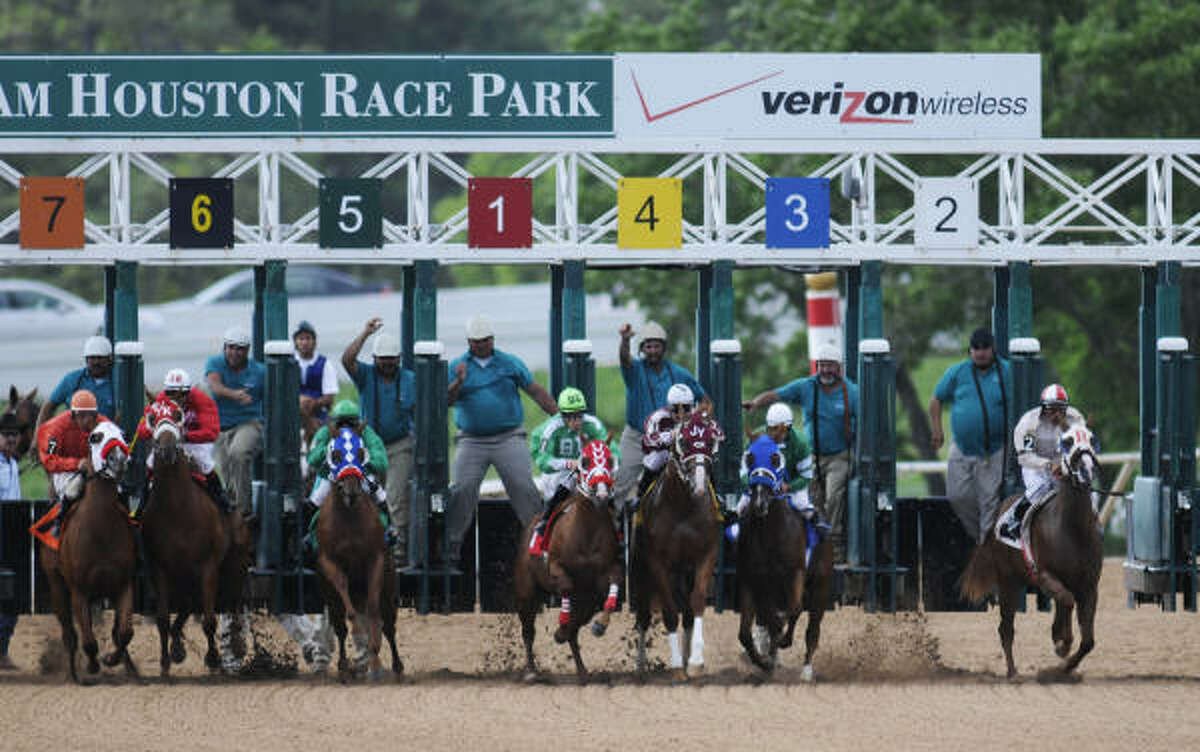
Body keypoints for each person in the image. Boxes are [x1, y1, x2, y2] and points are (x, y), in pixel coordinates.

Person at [445, 314, 558, 565]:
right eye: (476, 341)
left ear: (492, 339)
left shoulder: (509, 363)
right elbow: (446, 401)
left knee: (523, 485)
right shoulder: (457, 366)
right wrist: (459, 382)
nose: (481, 345)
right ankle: (451, 549)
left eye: (485, 340)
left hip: (508, 436)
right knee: (462, 488)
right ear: (468, 342)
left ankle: (541, 542)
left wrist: (559, 416)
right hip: (471, 440)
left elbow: (535, 390)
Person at [742, 343, 858, 562]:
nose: (826, 370)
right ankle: (814, 548)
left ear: (839, 368)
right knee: (813, 501)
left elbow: (864, 420)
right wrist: (756, 402)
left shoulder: (851, 392)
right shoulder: (806, 386)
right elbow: (778, 394)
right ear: (817, 367)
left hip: (839, 456)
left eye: (831, 366)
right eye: (822, 365)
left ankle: (836, 550)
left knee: (834, 498)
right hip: (812, 456)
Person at [928, 328, 1014, 543]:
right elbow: (936, 400)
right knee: (957, 496)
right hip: (962, 448)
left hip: (994, 450)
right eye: (976, 349)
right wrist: (937, 430)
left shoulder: (1007, 372)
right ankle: (979, 542)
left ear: (993, 349)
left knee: (989, 503)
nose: (980, 353)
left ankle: (985, 551)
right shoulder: (957, 372)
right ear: (970, 350)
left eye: (985, 348)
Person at [342, 317, 415, 562]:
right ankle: (368, 549)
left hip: (399, 445)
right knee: (365, 496)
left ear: (399, 358)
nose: (387, 364)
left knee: (395, 497)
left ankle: (399, 552)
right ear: (374, 359)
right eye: (382, 359)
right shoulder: (366, 375)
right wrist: (365, 334)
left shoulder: (409, 380)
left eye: (391, 359)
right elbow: (347, 360)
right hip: (370, 447)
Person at [614, 321, 708, 509]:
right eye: (648, 346)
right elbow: (625, 358)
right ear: (642, 349)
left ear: (664, 348)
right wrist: (625, 340)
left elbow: (706, 402)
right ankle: (616, 528)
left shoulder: (679, 373)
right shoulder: (635, 370)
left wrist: (694, 423)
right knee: (620, 486)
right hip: (636, 437)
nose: (653, 350)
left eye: (657, 346)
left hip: (673, 438)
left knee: (694, 475)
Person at [527, 387, 619, 556]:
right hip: (560, 471)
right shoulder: (551, 428)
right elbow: (543, 461)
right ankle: (543, 526)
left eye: (579, 415)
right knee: (563, 486)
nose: (576, 420)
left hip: (589, 469)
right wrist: (569, 463)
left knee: (607, 489)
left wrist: (609, 467)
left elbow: (612, 450)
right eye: (570, 416)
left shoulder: (593, 424)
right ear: (562, 415)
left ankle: (618, 528)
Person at [1000, 383, 1088, 543]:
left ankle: (1093, 524)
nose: (1056, 414)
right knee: (1041, 488)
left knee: (1084, 488)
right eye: (1051, 409)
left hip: (1064, 464)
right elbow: (1025, 457)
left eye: (1060, 409)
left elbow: (1081, 446)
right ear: (1043, 408)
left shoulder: (1075, 418)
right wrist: (1048, 464)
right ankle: (1013, 520)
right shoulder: (1028, 423)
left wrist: (1065, 427)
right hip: (1035, 466)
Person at [136, 368, 231, 513]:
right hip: (168, 440)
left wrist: (186, 436)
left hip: (195, 441)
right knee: (150, 462)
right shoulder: (160, 401)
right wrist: (159, 432)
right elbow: (142, 431)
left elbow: (211, 432)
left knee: (204, 461)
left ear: (189, 391)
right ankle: (142, 505)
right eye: (171, 393)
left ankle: (220, 498)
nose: (176, 398)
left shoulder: (202, 400)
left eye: (182, 394)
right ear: (165, 392)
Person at [206, 326, 265, 517]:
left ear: (247, 350)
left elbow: (272, 398)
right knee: (226, 470)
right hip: (221, 428)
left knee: (238, 453)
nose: (234, 352)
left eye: (239, 348)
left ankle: (244, 511)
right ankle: (232, 511)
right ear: (224, 348)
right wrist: (235, 395)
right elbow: (214, 386)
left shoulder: (259, 371)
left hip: (250, 423)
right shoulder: (215, 363)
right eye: (230, 347)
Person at [736, 403, 823, 528]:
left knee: (803, 506)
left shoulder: (801, 444)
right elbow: (744, 470)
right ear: (767, 426)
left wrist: (789, 486)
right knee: (739, 509)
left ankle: (818, 538)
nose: (777, 433)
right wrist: (752, 483)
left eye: (783, 429)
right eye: (772, 428)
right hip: (760, 485)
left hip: (791, 486)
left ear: (789, 427)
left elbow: (806, 476)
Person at [36, 390, 113, 530]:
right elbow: (49, 460)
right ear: (72, 415)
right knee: (73, 489)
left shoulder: (105, 424)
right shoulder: (55, 428)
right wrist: (76, 464)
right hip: (65, 471)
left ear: (96, 415)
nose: (87, 421)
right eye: (81, 416)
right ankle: (58, 523)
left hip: (94, 469)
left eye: (91, 416)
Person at [306, 399, 389, 512]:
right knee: (312, 505)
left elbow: (382, 461)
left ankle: (390, 527)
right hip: (330, 476)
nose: (346, 427)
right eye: (340, 424)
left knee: (384, 501)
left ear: (357, 423)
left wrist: (368, 461)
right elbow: (312, 458)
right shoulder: (325, 432)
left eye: (351, 424)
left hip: (362, 476)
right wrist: (329, 450)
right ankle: (307, 528)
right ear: (334, 423)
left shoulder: (367, 433)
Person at [636, 383, 713, 500]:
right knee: (657, 458)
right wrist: (669, 436)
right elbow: (648, 439)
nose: (680, 413)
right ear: (669, 407)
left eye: (686, 408)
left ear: (692, 407)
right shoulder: (658, 418)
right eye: (675, 409)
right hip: (666, 452)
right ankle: (640, 495)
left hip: (688, 452)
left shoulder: (697, 418)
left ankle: (716, 498)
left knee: (704, 459)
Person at [37, 335, 116, 428]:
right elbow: (49, 407)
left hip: (105, 437)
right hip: (74, 437)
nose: (96, 362)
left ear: (110, 358)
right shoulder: (72, 380)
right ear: (86, 359)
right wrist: (39, 438)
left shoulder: (117, 382)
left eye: (100, 358)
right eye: (92, 358)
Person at [0, 413, 22, 670]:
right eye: (6, 435)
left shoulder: (14, 464)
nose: (11, 439)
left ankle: (2, 650)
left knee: (13, 592)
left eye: (14, 435)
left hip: (12, 534)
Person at [293, 320, 338, 425]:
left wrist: (311, 403)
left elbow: (329, 397)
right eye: (301, 339)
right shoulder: (290, 363)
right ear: (295, 342)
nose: (304, 342)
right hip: (293, 412)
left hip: (318, 413)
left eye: (308, 338)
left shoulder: (324, 364)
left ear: (314, 341)